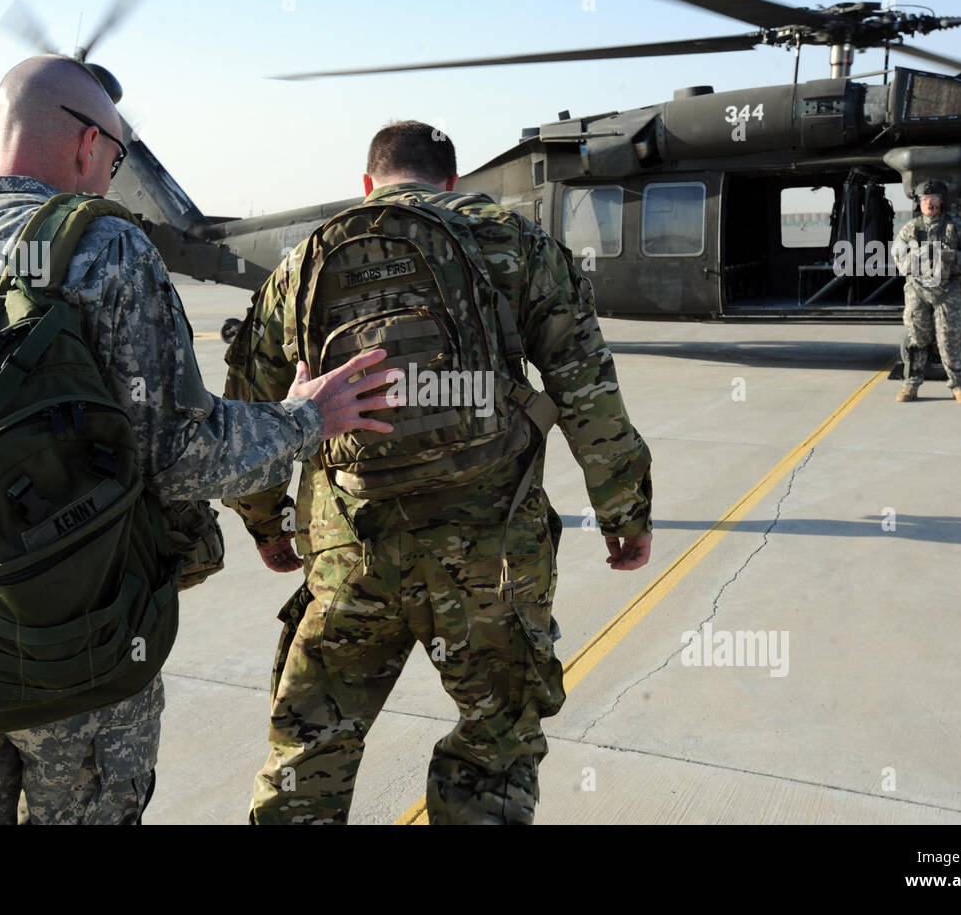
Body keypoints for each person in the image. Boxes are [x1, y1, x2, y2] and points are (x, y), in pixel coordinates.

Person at [0, 54, 394, 824]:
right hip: (88, 647)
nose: (109, 177)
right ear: (87, 145)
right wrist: (307, 416)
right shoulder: (107, 250)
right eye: (114, 159)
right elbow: (184, 455)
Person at [223, 120, 654, 825]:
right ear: (452, 181)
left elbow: (253, 406)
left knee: (310, 743)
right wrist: (624, 514)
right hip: (491, 554)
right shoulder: (516, 243)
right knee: (495, 743)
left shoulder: (303, 261)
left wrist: (265, 523)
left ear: (369, 182)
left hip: (349, 547)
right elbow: (587, 390)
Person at [891, 180, 961, 403]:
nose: (929, 204)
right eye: (925, 200)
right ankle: (911, 385)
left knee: (949, 339)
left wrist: (947, 257)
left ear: (942, 202)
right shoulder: (911, 228)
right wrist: (919, 257)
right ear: (919, 203)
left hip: (947, 289)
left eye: (934, 200)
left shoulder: (956, 226)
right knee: (917, 339)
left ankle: (959, 387)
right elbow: (898, 255)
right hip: (917, 289)